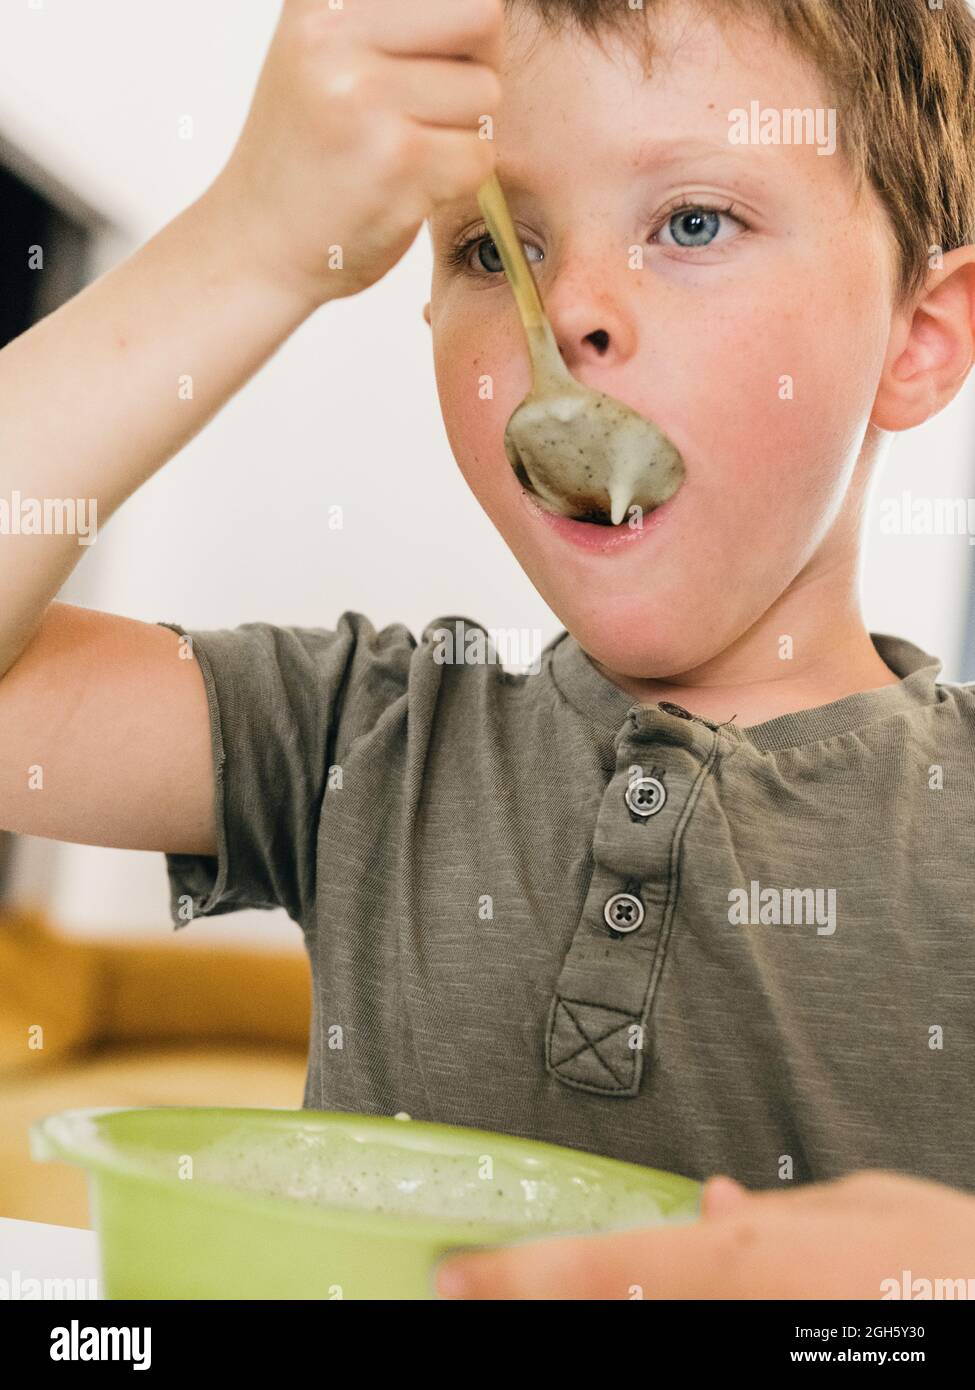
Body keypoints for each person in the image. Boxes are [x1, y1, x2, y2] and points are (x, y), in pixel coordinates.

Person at [2, 0, 974, 1300]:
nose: (565, 309)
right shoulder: (364, 735)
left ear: (919, 337)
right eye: (491, 246)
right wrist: (252, 244)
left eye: (692, 222)